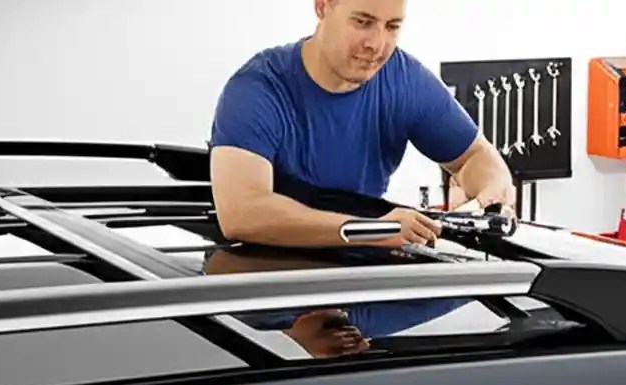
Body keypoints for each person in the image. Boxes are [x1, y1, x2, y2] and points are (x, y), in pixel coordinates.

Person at [207, 0, 515, 250]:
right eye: (363, 22)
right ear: (322, 6)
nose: (378, 45)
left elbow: (475, 157)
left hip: (360, 280)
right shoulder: (256, 89)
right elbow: (242, 213)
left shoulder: (405, 81)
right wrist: (371, 230)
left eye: (392, 26)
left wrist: (488, 196)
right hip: (265, 291)